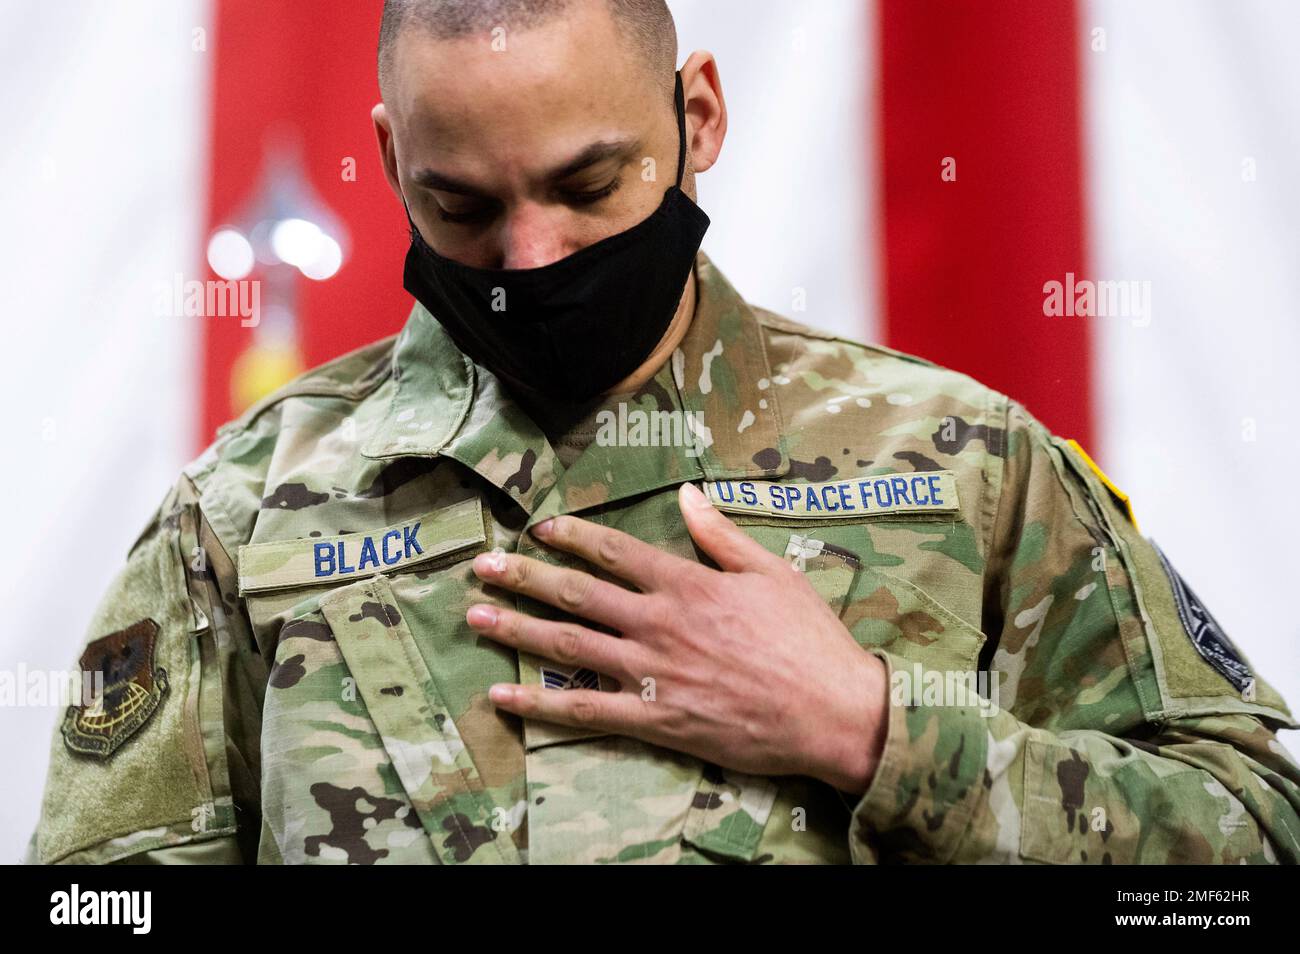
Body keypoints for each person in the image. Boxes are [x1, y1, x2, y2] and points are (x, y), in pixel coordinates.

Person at [26, 0, 1300, 864]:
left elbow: (1247, 848)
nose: (532, 256)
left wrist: (872, 729)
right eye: (459, 204)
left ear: (698, 117)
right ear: (388, 154)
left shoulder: (962, 462)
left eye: (590, 186)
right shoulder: (244, 512)